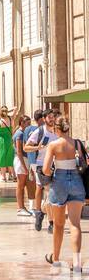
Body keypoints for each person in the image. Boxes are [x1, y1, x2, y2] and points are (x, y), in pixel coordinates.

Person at [42, 116, 85, 272]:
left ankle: (57, 259)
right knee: (75, 224)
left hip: (59, 181)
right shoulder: (78, 143)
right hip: (76, 182)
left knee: (59, 225)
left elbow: (46, 169)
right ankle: (77, 263)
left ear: (56, 129)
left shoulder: (53, 145)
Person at [24, 108, 58, 233]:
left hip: (56, 165)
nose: (52, 119)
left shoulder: (57, 130)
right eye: (49, 117)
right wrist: (37, 147)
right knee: (46, 191)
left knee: (50, 193)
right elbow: (26, 147)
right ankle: (47, 220)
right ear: (44, 119)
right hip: (41, 165)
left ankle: (45, 216)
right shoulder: (39, 131)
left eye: (53, 117)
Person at [13, 114, 33, 216]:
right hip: (21, 161)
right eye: (28, 123)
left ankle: (23, 207)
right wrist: (25, 167)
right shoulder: (20, 134)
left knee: (23, 184)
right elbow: (19, 151)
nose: (29, 125)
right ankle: (20, 207)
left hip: (23, 160)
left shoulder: (22, 133)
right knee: (20, 185)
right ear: (22, 123)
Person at [0, 107, 16, 181]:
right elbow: (15, 108)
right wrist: (9, 110)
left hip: (0, 142)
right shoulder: (10, 120)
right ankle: (13, 175)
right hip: (9, 140)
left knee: (1, 158)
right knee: (10, 158)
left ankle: (3, 176)